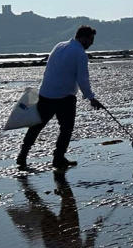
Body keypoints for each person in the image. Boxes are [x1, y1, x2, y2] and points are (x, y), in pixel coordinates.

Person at [16, 25, 104, 169]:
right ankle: (58, 158)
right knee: (66, 129)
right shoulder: (80, 53)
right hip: (64, 97)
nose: (91, 43)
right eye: (91, 40)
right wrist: (91, 98)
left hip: (46, 93)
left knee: (36, 126)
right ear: (83, 38)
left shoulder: (59, 46)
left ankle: (22, 155)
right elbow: (82, 79)